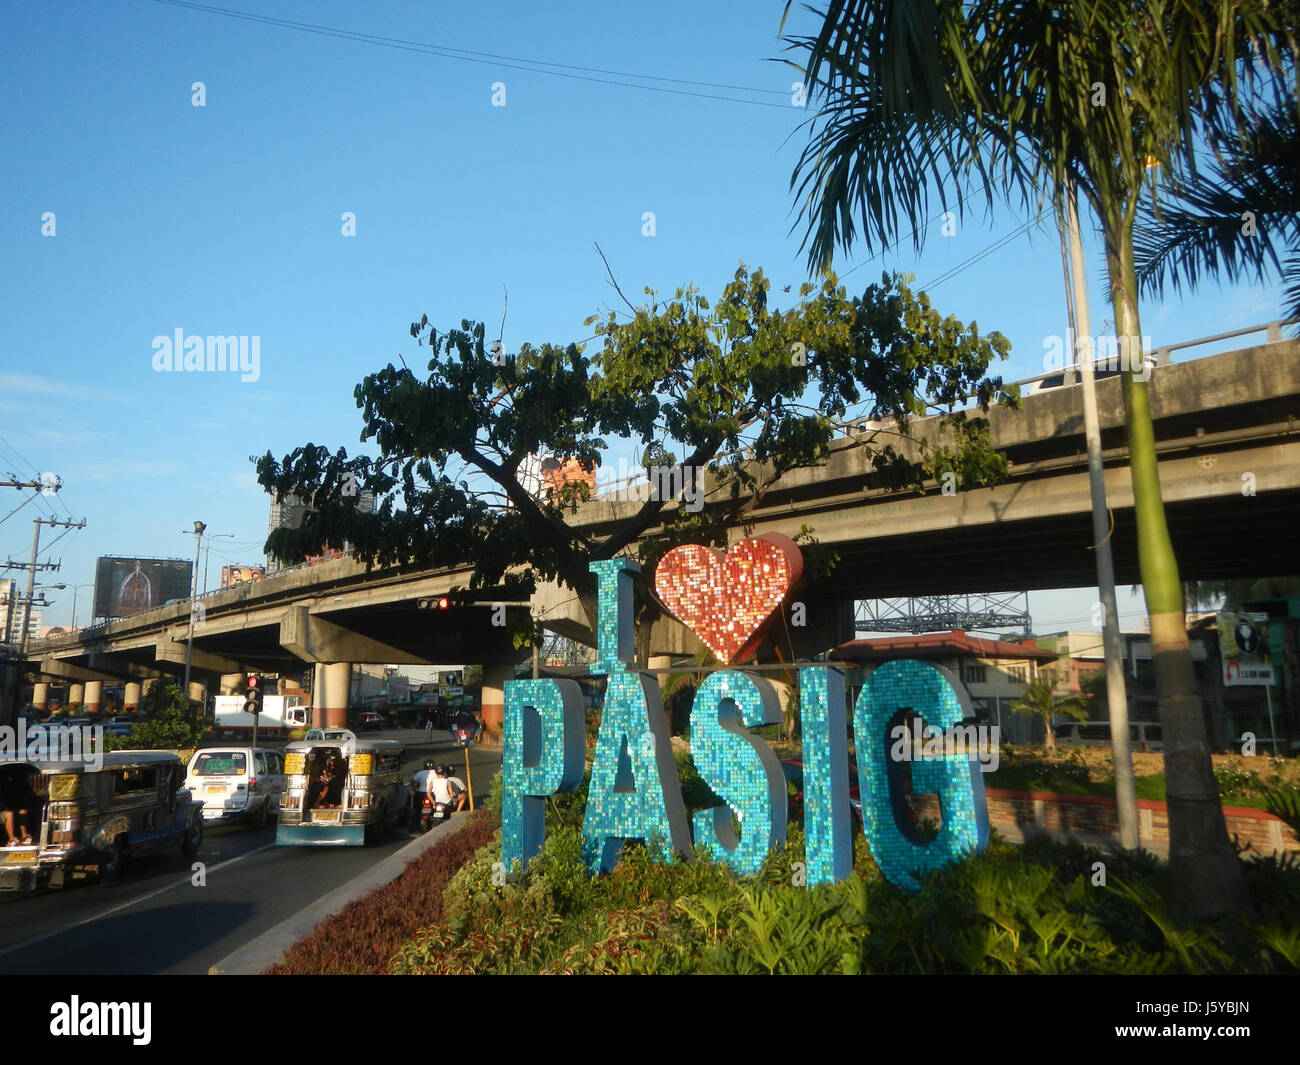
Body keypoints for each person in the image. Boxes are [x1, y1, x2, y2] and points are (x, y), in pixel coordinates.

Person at [1, 769, 45, 846]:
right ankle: (11, 839)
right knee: (9, 813)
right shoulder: (5, 787)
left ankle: (24, 836)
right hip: (5, 810)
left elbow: (32, 798)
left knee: (22, 811)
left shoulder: (24, 787)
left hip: (16, 808)